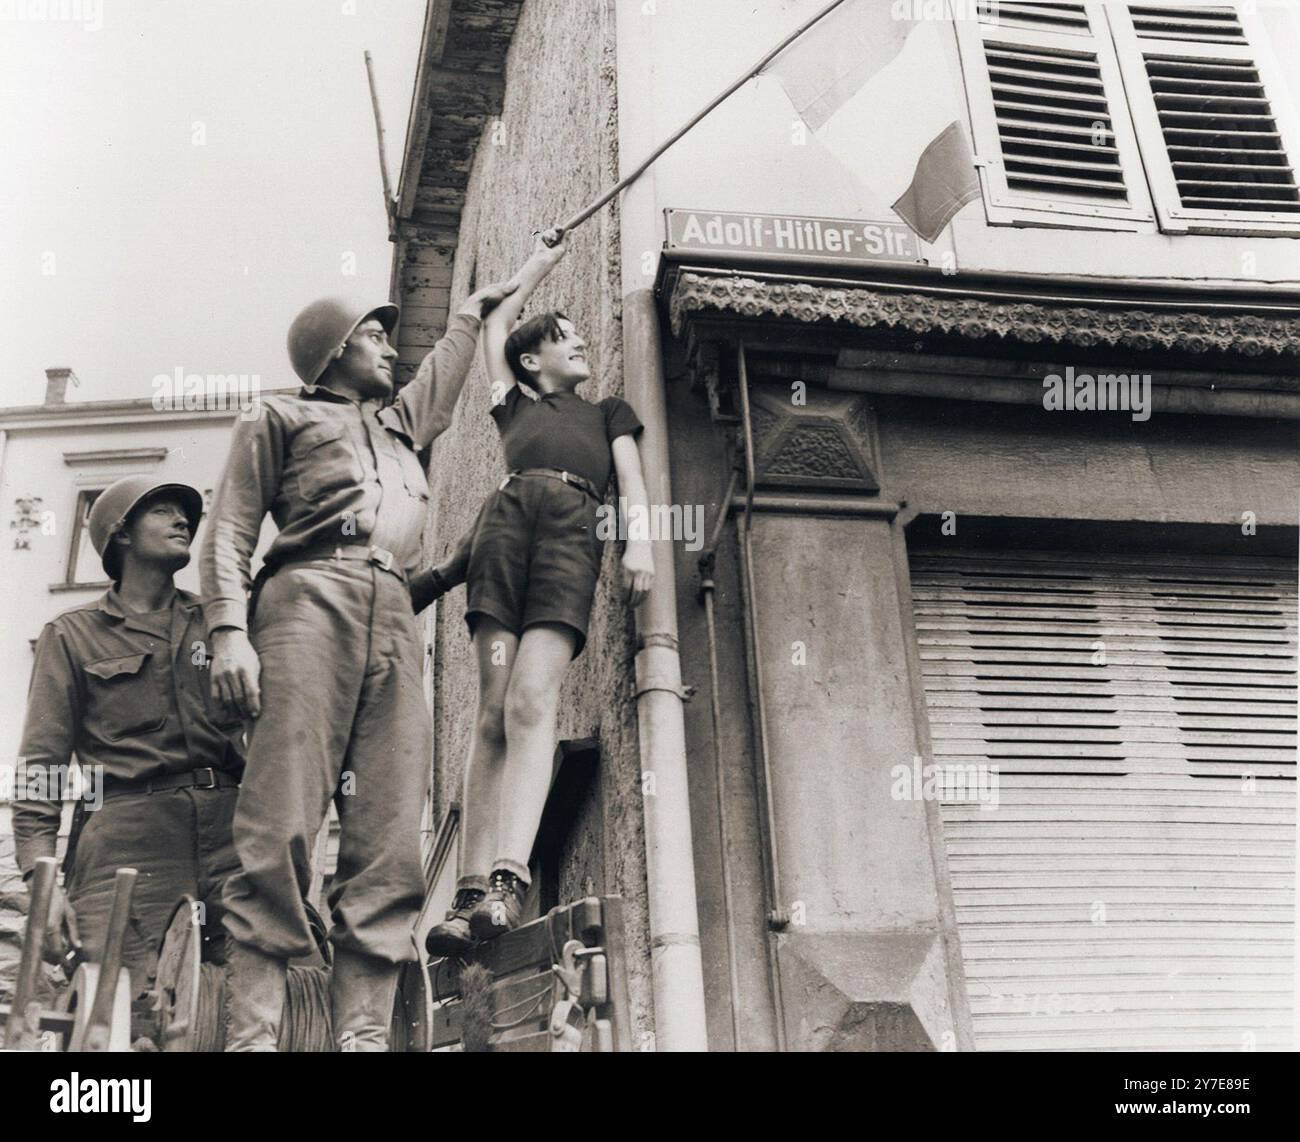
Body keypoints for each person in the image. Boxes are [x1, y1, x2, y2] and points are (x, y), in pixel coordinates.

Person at [201, 280, 513, 1051]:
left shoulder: (401, 429)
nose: (388, 347)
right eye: (373, 337)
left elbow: (443, 372)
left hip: (395, 612)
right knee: (280, 825)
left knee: (387, 841)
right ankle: (252, 1039)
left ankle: (363, 1041)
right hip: (308, 600)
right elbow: (230, 530)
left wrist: (481, 305)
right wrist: (228, 631)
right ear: (336, 351)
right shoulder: (278, 415)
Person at [425, 232, 654, 957]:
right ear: (532, 362)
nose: (580, 342)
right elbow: (495, 320)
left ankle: (507, 878)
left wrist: (638, 542)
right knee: (491, 709)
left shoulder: (608, 412)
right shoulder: (513, 406)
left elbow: (634, 484)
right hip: (504, 537)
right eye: (565, 337)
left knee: (532, 700)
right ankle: (466, 895)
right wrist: (540, 262)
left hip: (569, 537)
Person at [12, 475, 246, 1010]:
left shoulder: (223, 623)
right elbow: (40, 770)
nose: (183, 520)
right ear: (120, 534)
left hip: (235, 830)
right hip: (127, 845)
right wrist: (42, 885)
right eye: (163, 511)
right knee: (123, 1014)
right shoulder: (72, 636)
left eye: (184, 512)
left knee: (263, 1002)